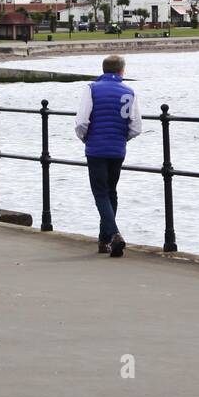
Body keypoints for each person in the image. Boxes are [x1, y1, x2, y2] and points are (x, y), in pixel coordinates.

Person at [74, 54, 141, 257]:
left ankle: (114, 235)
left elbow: (82, 121)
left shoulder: (91, 89)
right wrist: (121, 139)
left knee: (100, 193)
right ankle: (104, 242)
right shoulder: (129, 92)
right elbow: (136, 126)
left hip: (96, 149)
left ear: (103, 70)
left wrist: (86, 138)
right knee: (111, 191)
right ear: (122, 71)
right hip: (117, 148)